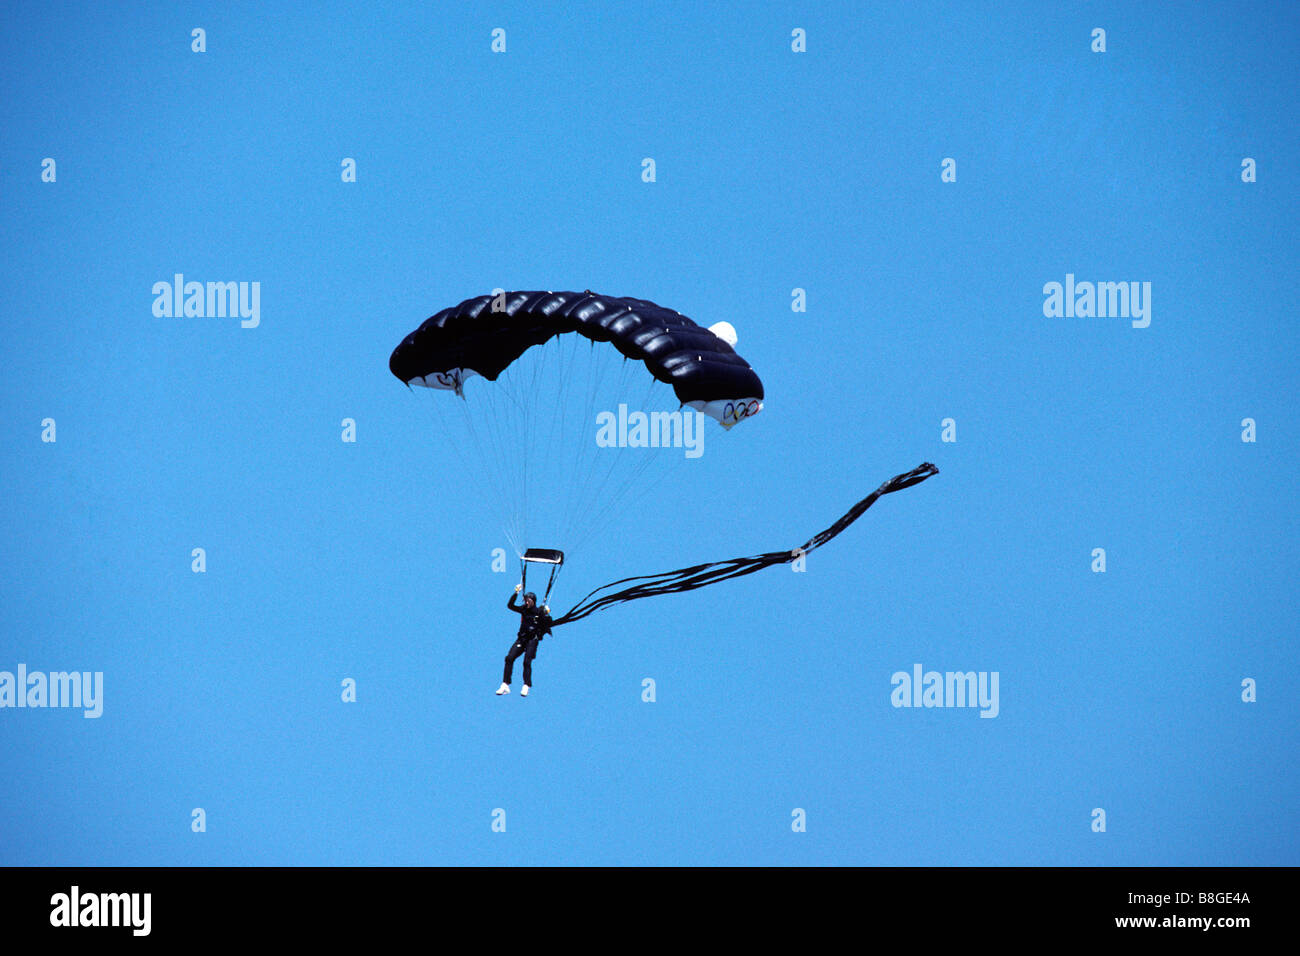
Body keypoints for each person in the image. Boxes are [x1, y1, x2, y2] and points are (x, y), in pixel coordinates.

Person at [497, 584, 552, 696]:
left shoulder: (538, 612)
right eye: (525, 600)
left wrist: (547, 614)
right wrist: (516, 593)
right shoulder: (523, 610)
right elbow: (510, 605)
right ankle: (505, 684)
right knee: (509, 658)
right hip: (522, 639)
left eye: (528, 600)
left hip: (532, 640)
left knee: (527, 661)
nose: (526, 602)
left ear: (533, 601)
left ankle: (526, 685)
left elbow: (548, 623)